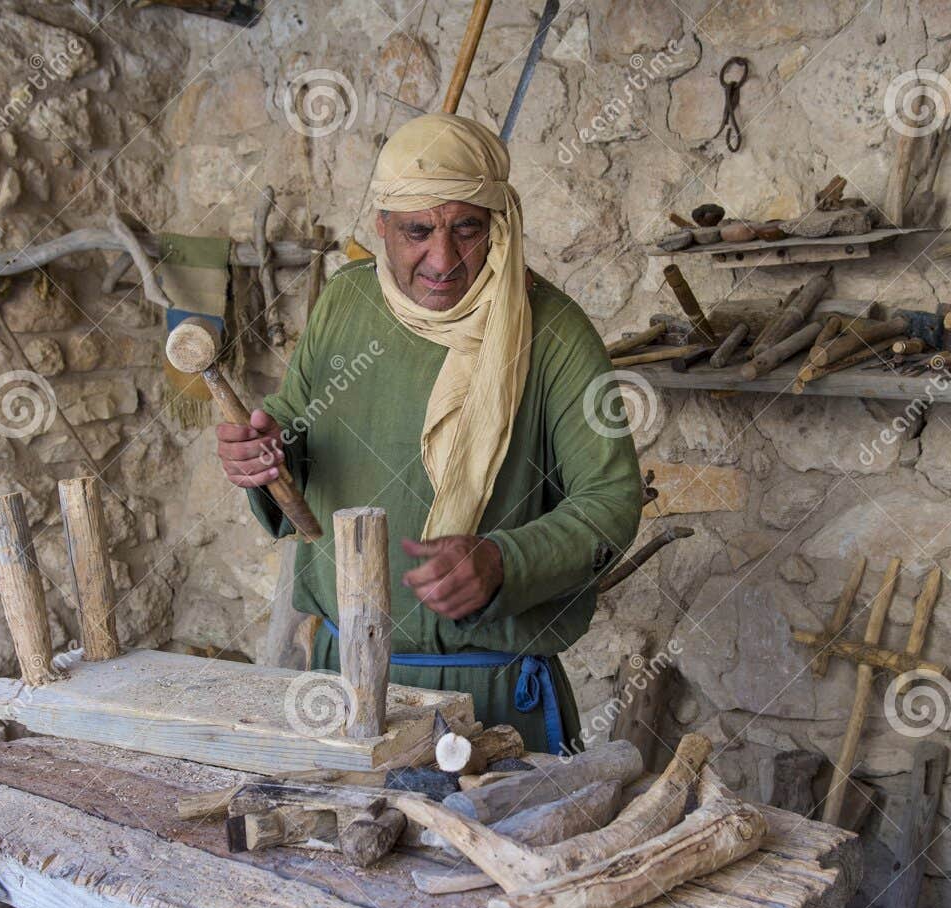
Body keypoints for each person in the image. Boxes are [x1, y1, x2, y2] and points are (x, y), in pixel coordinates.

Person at [216, 113, 641, 754]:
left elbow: (611, 505)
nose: (442, 260)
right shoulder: (346, 303)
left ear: (498, 225)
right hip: (339, 681)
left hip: (490, 702)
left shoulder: (551, 328)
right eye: (418, 231)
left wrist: (504, 561)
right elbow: (296, 435)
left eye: (466, 228)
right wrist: (262, 456)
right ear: (381, 226)